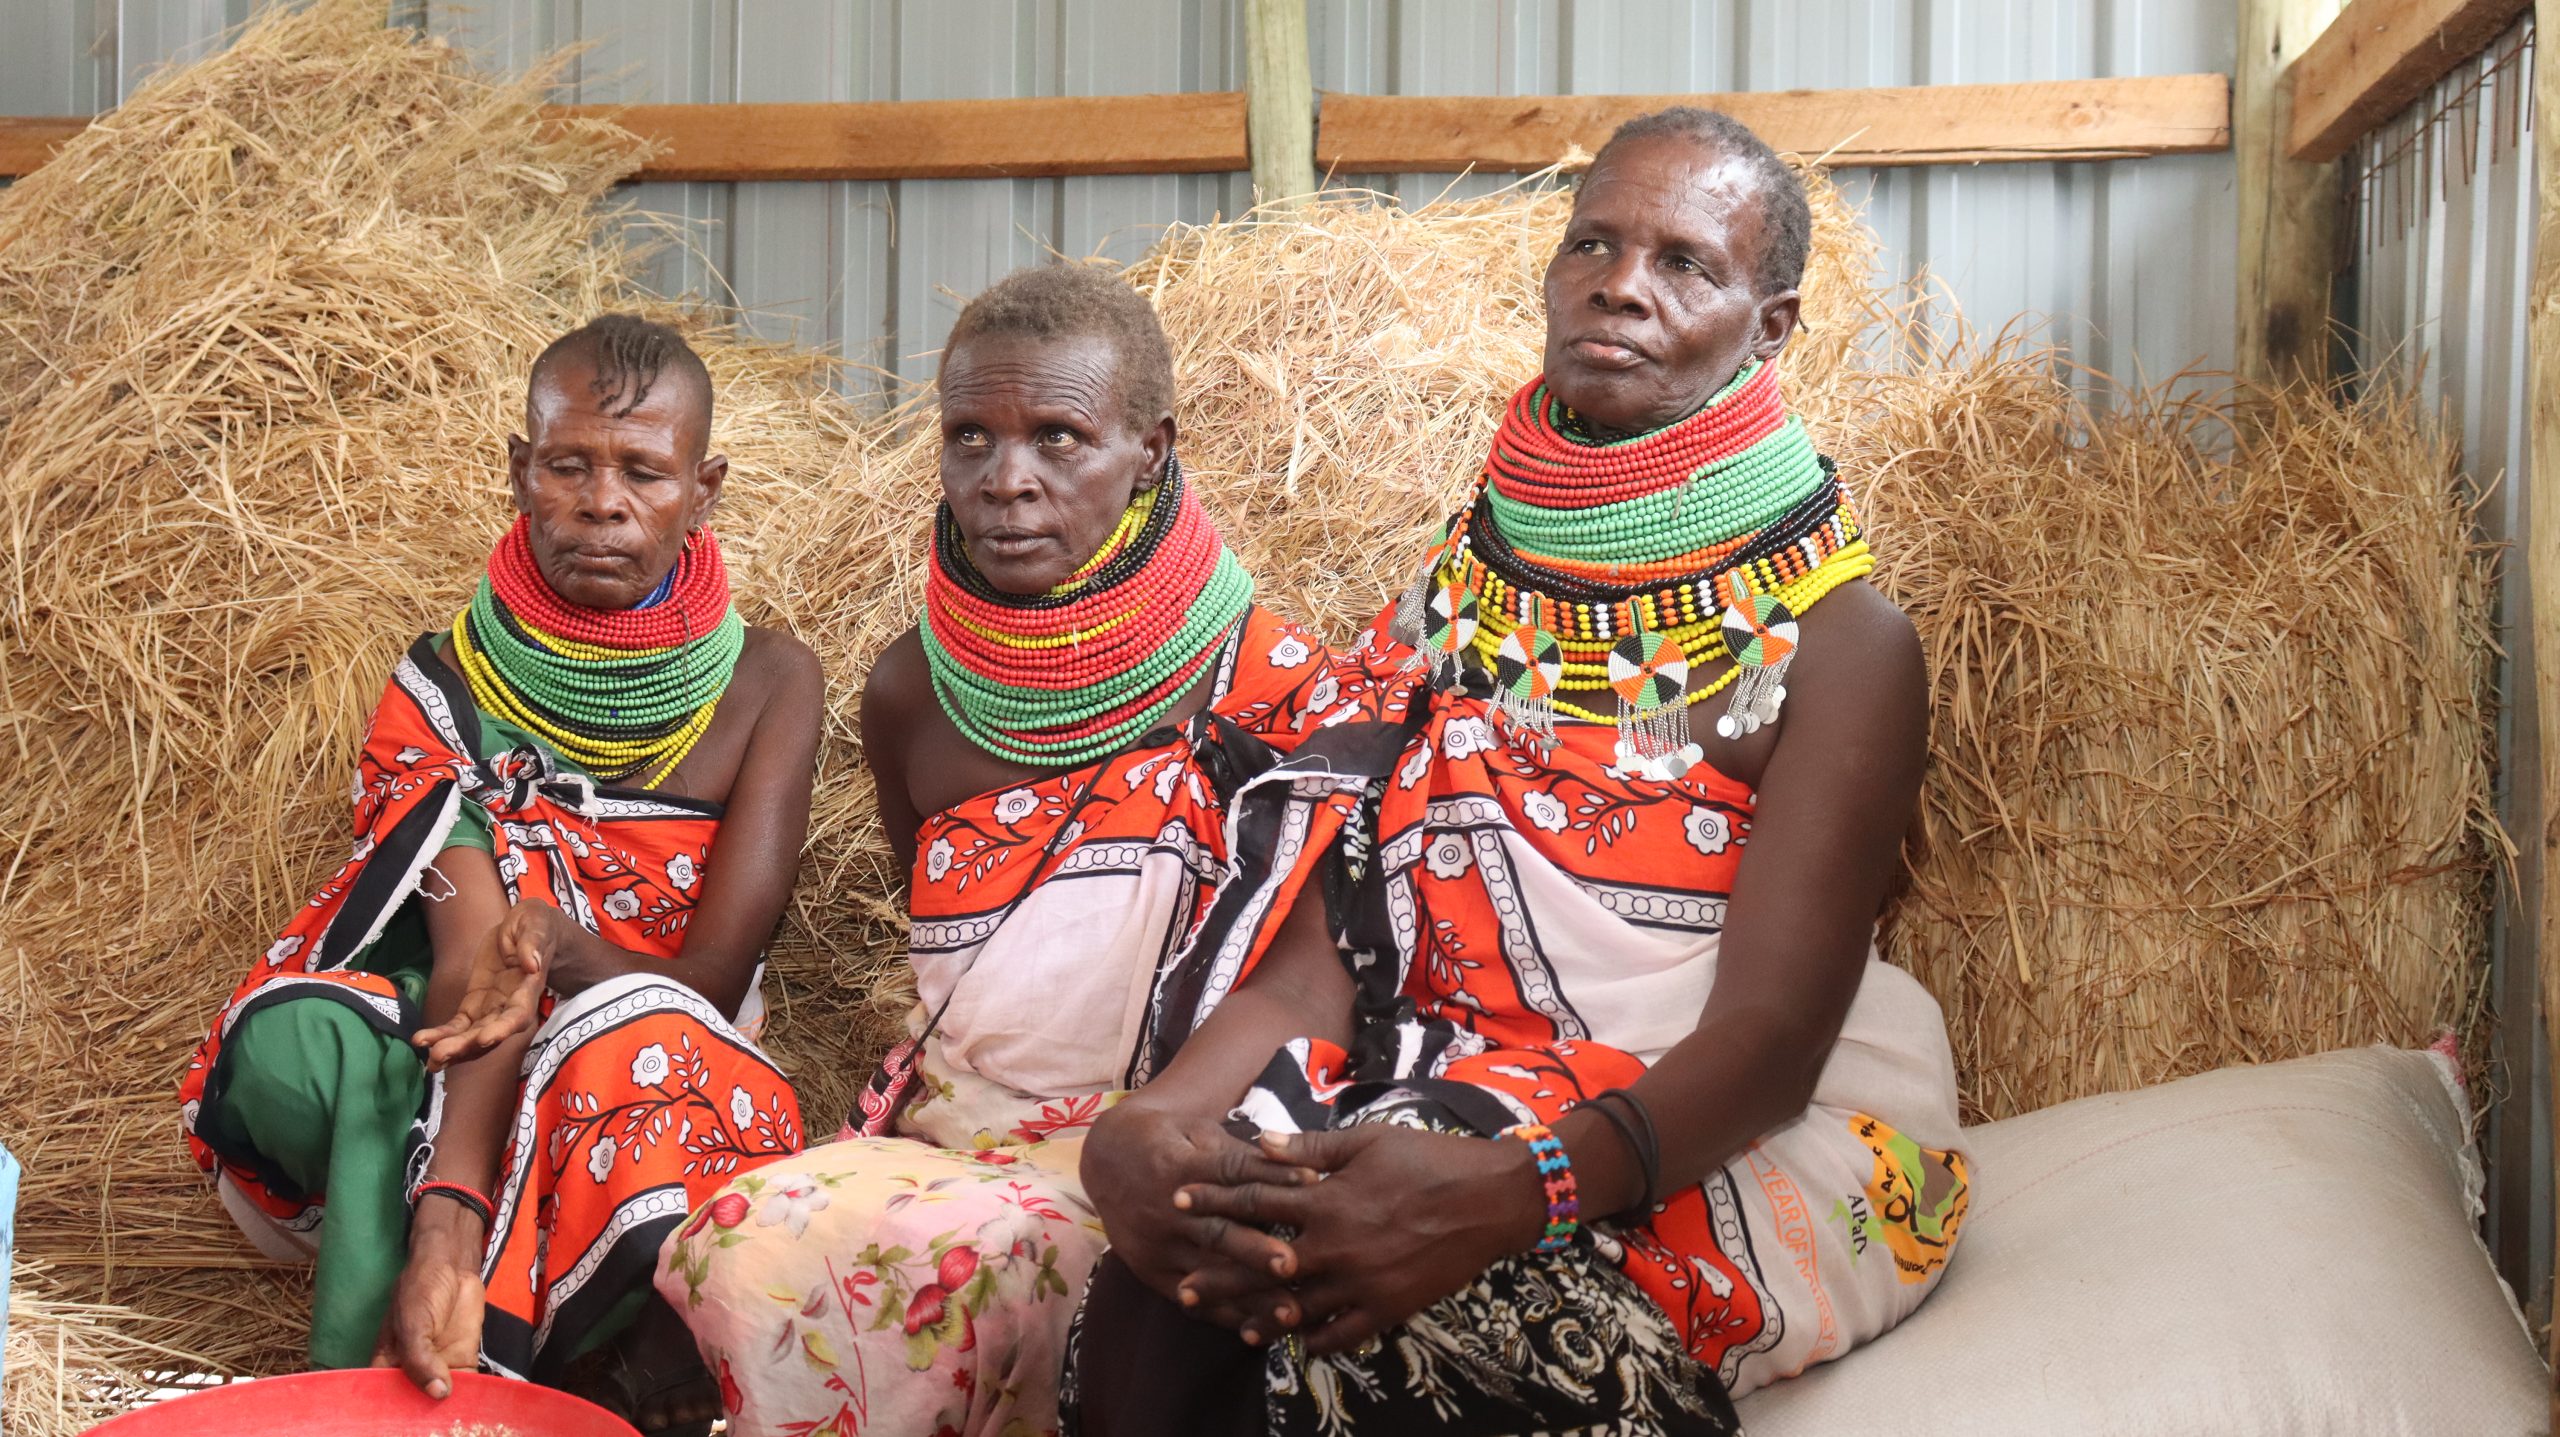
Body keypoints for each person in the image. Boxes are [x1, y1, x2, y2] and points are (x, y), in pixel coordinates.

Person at [1067, 108, 1972, 1435]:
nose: (1621, 283)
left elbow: (1769, 1048)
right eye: (1593, 243)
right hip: (1456, 1086)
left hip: (1716, 1127)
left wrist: (1507, 1193)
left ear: (1770, 326)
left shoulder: (1843, 644)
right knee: (1158, 1309)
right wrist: (1152, 1124)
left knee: (1388, 1347)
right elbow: (1344, 938)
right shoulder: (1457, 603)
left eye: (1685, 263)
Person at [655, 265, 1346, 1437]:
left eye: (1059, 438)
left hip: (1169, 1147)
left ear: (1151, 449)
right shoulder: (913, 691)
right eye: (969, 436)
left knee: (942, 1269)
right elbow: (946, 931)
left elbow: (1313, 987)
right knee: (738, 1237)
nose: (1005, 480)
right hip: (958, 1132)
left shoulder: (1270, 690)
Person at [178, 315, 822, 1436]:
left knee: (625, 1040)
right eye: (567, 464)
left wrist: (568, 949)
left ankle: (459, 1383)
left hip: (643, 1047)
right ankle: (382, 1391)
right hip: (445, 1040)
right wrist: (451, 1216)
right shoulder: (441, 681)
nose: (601, 501)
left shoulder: (769, 681)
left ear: (704, 488)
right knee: (315, 1039)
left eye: (643, 471)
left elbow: (709, 981)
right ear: (519, 472)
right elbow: (476, 973)